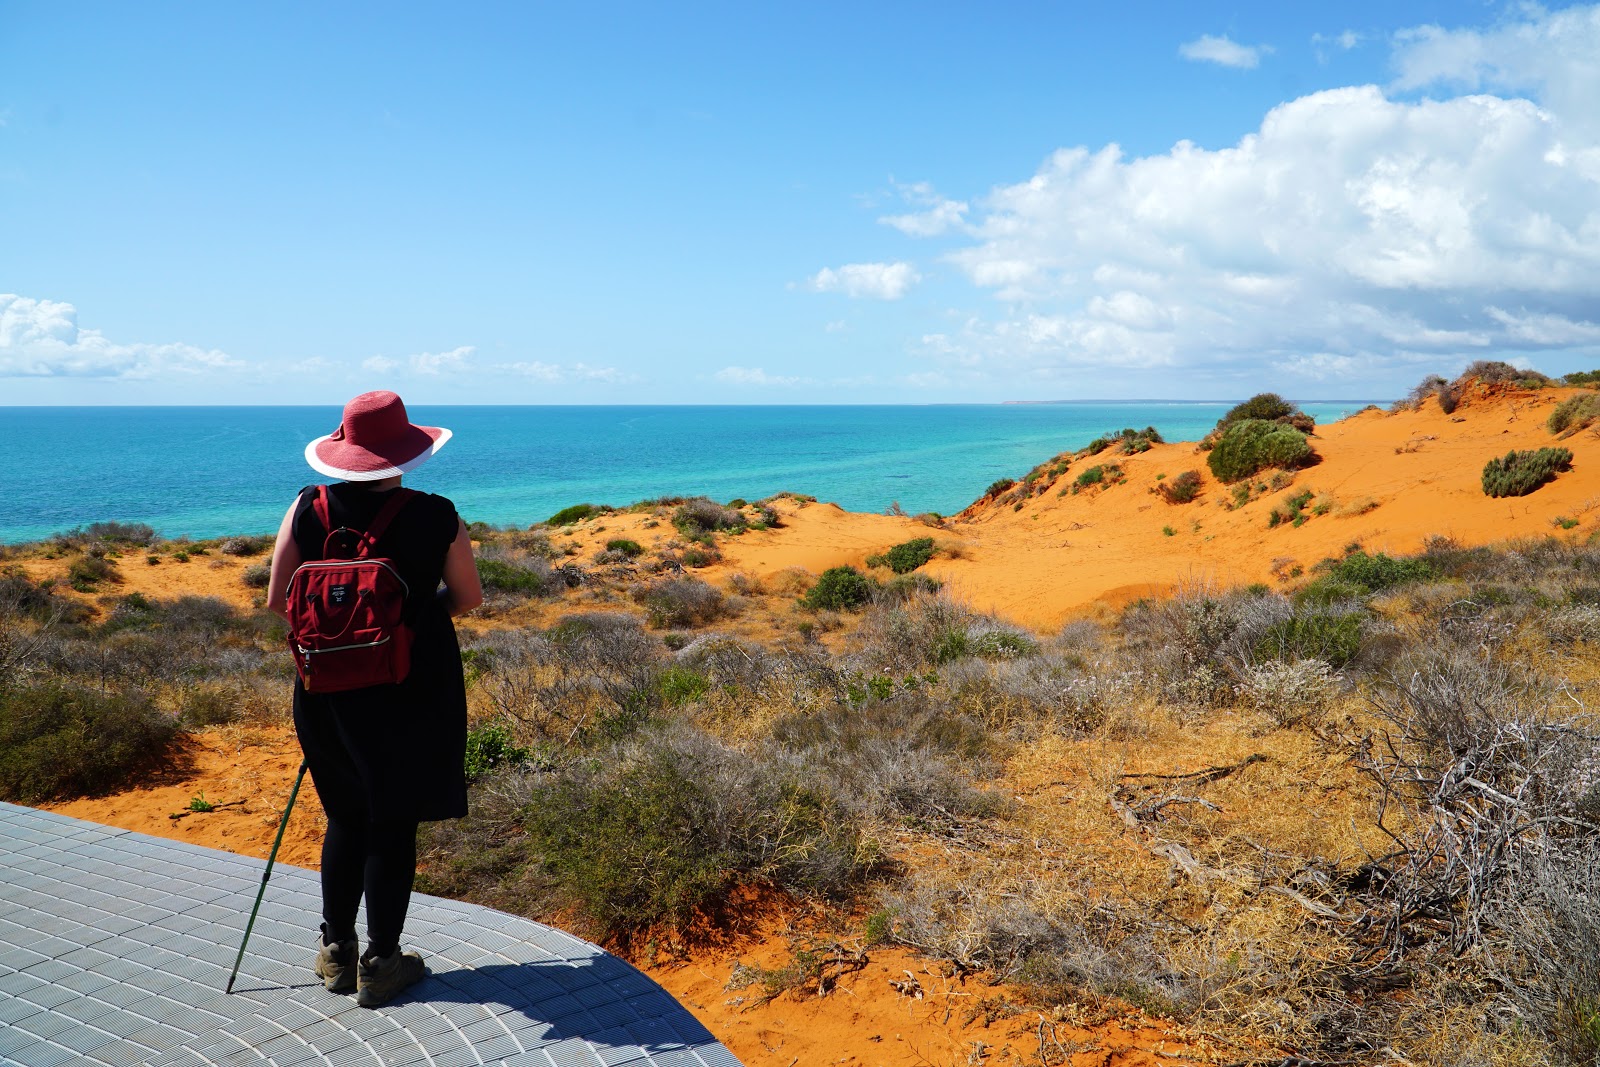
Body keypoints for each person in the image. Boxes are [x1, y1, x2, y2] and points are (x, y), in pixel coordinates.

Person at [266, 390, 482, 1008]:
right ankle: (383, 962)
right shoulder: (438, 515)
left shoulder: (307, 507)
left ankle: (334, 951)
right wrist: (410, 617)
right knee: (393, 821)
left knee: (346, 817)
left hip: (325, 688)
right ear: (405, 454)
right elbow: (467, 599)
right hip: (410, 685)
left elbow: (280, 602)